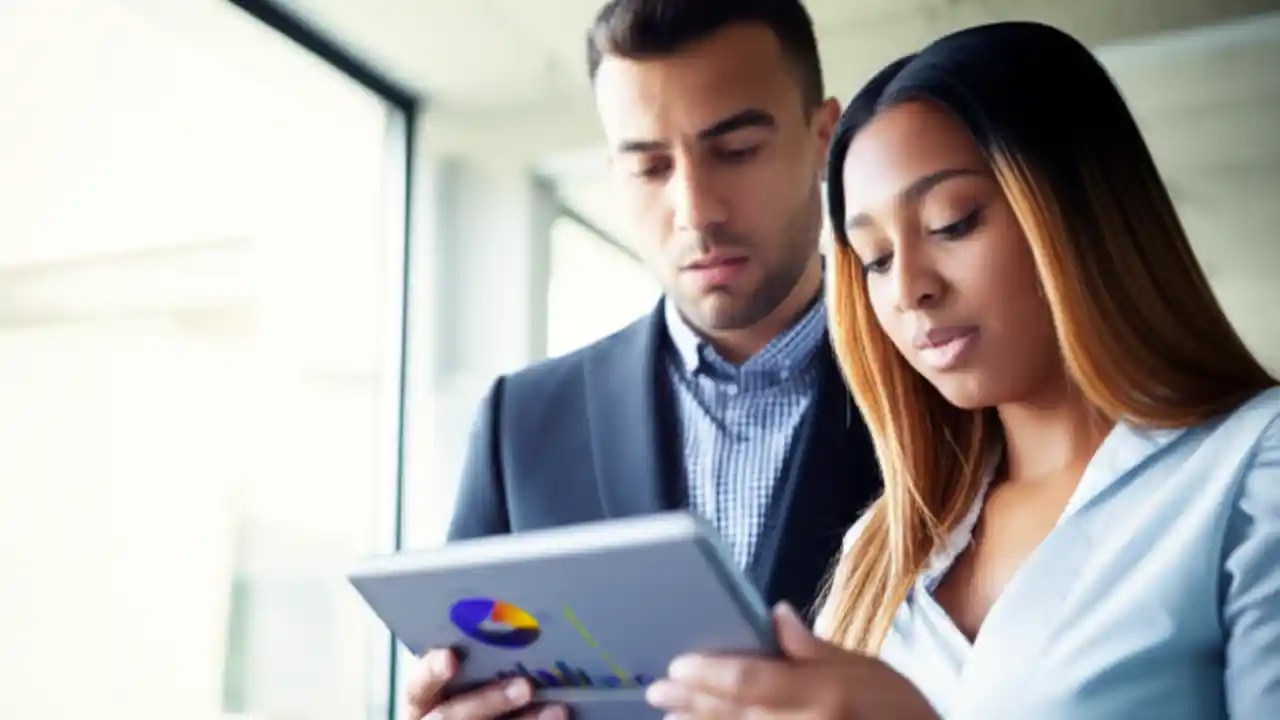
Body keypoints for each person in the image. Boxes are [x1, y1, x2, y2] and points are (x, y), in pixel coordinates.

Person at [643, 21, 1280, 719]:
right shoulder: (880, 549)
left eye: (953, 223)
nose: (910, 287)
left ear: (1077, 209)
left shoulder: (1253, 468)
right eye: (876, 259)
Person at [404, 2, 881, 718]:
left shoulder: (947, 387)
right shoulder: (522, 424)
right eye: (650, 166)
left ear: (823, 140)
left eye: (737, 150)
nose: (695, 209)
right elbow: (460, 683)